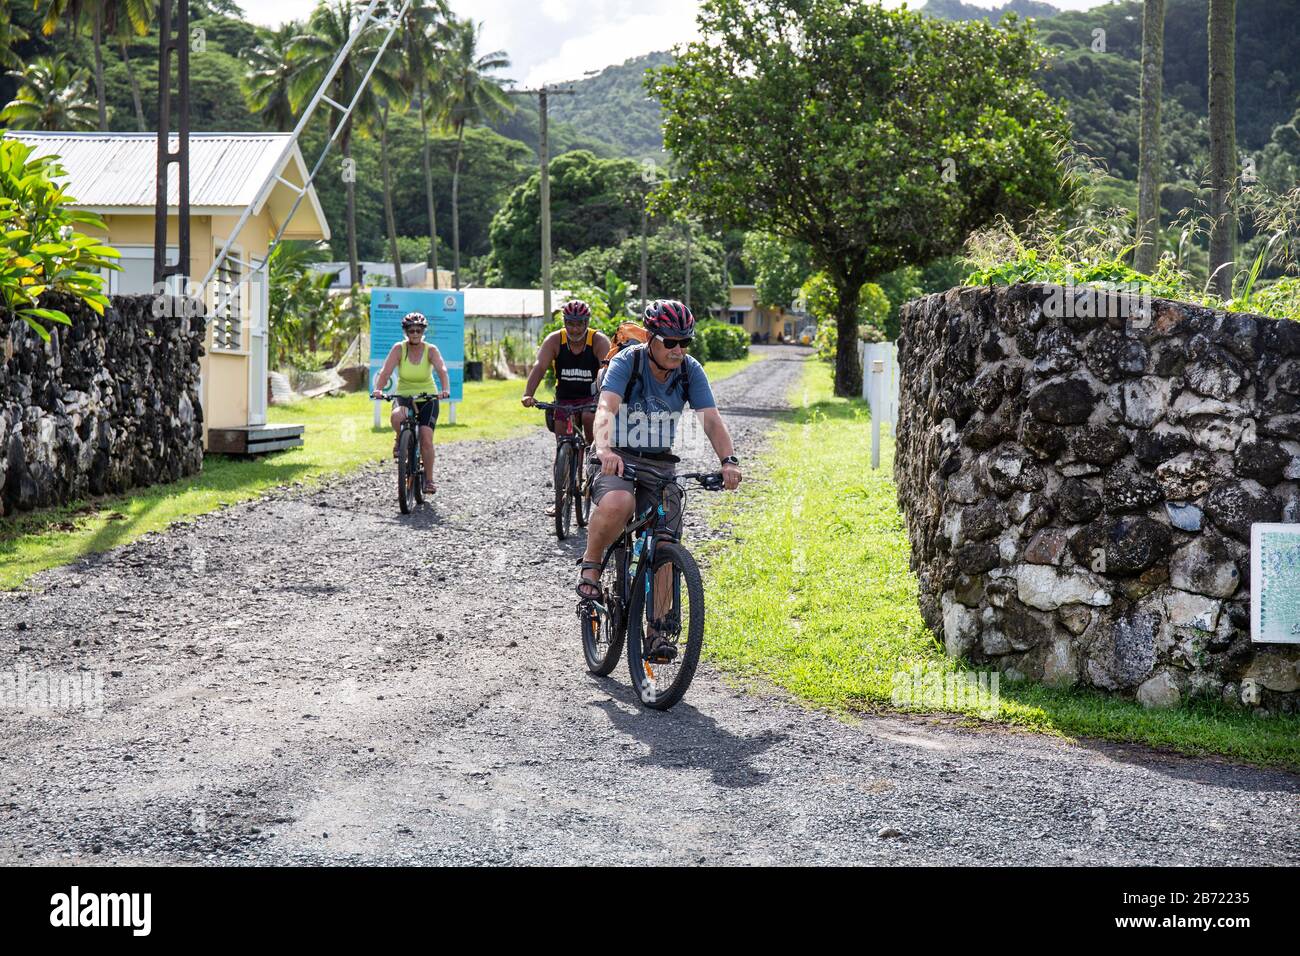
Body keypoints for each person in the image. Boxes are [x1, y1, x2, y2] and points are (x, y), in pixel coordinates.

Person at [577, 299, 742, 660]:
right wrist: (603, 450)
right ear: (651, 338)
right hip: (616, 455)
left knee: (665, 542)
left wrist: (728, 461)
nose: (678, 349)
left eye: (685, 342)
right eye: (670, 342)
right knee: (620, 503)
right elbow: (605, 407)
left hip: (660, 464)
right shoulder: (628, 361)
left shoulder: (689, 370)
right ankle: (591, 565)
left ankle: (658, 633)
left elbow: (710, 419)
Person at [521, 299, 611, 514]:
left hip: (591, 399)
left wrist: (605, 397)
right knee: (562, 442)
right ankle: (561, 495)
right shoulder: (555, 340)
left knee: (590, 422)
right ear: (565, 322)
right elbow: (540, 366)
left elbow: (609, 370)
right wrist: (528, 394)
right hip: (565, 400)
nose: (574, 329)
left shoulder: (598, 341)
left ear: (587, 322)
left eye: (579, 323)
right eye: (570, 323)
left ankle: (593, 466)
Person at [371, 311, 451, 495]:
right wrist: (378, 389)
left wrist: (445, 389)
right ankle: (400, 438)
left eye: (418, 330)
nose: (415, 333)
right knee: (397, 416)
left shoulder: (431, 350)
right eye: (411, 330)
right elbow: (386, 371)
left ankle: (429, 480)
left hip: (427, 398)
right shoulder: (399, 349)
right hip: (404, 395)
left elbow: (442, 369)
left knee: (426, 439)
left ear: (423, 331)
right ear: (405, 332)